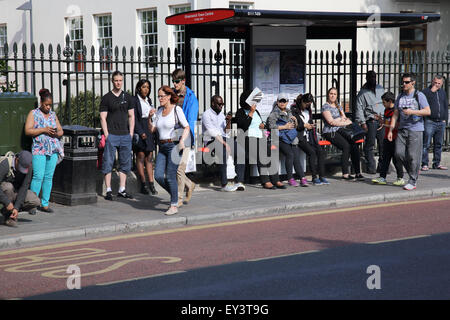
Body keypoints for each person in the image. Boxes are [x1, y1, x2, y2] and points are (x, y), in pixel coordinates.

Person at [149, 85, 190, 215]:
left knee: (171, 176)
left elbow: (187, 127)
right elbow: (152, 129)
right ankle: (175, 194)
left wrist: (182, 141)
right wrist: (150, 118)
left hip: (174, 145)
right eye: (158, 96)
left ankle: (173, 205)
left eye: (162, 96)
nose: (160, 98)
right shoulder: (159, 111)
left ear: (168, 96)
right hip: (162, 146)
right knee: (158, 176)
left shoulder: (176, 110)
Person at [235, 90, 286, 190]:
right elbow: (243, 126)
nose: (255, 103)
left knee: (270, 153)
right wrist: (251, 113)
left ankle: (275, 179)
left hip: (260, 137)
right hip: (247, 138)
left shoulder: (256, 111)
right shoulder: (240, 112)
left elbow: (261, 123)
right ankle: (265, 181)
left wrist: (263, 125)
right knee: (261, 155)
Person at [388, 73, 431, 191]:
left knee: (413, 155)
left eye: (407, 82)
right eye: (403, 82)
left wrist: (412, 112)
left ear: (413, 83)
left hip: (416, 129)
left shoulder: (419, 95)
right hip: (402, 129)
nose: (404, 84)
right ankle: (413, 170)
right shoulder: (400, 96)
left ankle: (412, 180)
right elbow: (395, 113)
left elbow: (427, 111)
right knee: (398, 153)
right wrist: (391, 130)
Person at [25, 88, 64, 213]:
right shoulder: (33, 113)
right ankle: (31, 204)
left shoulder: (53, 114)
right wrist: (43, 130)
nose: (48, 107)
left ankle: (45, 203)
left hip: (52, 149)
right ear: (41, 103)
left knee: (48, 177)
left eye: (50, 105)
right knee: (38, 176)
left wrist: (56, 133)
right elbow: (28, 131)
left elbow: (61, 130)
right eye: (46, 105)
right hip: (39, 149)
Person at [99, 71, 135, 201]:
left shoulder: (128, 97)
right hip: (112, 135)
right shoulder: (106, 98)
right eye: (116, 80)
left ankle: (122, 189)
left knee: (125, 163)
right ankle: (108, 190)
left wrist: (131, 132)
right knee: (108, 162)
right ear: (112, 81)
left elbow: (131, 116)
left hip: (125, 135)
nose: (118, 83)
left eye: (120, 80)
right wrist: (107, 134)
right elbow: (103, 118)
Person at [201, 95, 244, 192]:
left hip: (223, 138)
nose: (221, 106)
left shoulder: (221, 115)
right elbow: (212, 132)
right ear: (213, 103)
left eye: (222, 104)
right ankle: (224, 184)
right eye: (219, 104)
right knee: (223, 154)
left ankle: (239, 181)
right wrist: (225, 144)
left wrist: (228, 122)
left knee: (240, 152)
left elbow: (226, 132)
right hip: (211, 140)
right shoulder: (206, 114)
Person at [321, 87, 364, 181]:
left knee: (354, 145)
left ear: (337, 96)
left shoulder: (338, 106)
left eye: (334, 94)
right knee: (346, 146)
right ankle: (345, 174)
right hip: (330, 132)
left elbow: (344, 118)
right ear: (328, 95)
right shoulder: (325, 107)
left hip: (341, 130)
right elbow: (331, 122)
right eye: (331, 93)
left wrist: (341, 120)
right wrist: (341, 121)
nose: (332, 96)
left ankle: (357, 172)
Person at [267, 93, 308, 187]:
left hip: (290, 137)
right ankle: (290, 178)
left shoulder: (289, 111)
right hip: (280, 138)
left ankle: (302, 177)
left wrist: (296, 122)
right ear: (277, 102)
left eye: (284, 101)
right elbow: (270, 126)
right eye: (280, 101)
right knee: (290, 154)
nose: (282, 103)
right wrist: (284, 126)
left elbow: (294, 126)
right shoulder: (274, 113)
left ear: (287, 102)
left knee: (295, 155)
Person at [172, 69, 199, 206]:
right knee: (174, 168)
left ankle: (179, 199)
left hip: (185, 135)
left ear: (183, 81)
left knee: (180, 169)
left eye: (177, 82)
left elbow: (191, 119)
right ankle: (190, 184)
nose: (174, 84)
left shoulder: (191, 98)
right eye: (173, 81)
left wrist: (186, 137)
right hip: (172, 135)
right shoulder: (171, 94)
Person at [291, 93, 329, 185]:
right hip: (300, 136)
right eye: (307, 104)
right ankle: (314, 177)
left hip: (310, 136)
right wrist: (304, 125)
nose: (308, 105)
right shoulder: (294, 110)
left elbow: (310, 121)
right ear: (302, 102)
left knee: (320, 151)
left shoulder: (308, 111)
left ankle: (322, 176)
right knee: (311, 153)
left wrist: (311, 125)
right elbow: (294, 126)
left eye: (309, 104)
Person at [355, 70, 385, 174]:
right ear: (366, 78)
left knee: (383, 144)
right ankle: (371, 167)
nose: (373, 79)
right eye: (370, 77)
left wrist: (385, 118)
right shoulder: (363, 93)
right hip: (371, 120)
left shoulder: (380, 88)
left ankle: (382, 166)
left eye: (374, 77)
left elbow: (385, 102)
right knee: (370, 144)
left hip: (381, 119)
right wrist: (362, 123)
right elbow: (359, 108)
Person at [371, 92, 405, 186]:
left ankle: (400, 177)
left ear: (390, 101)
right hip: (387, 137)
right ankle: (382, 177)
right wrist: (380, 120)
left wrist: (384, 124)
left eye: (384, 102)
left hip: (395, 138)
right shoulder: (386, 110)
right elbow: (386, 122)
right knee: (385, 158)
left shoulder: (396, 111)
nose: (383, 104)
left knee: (396, 159)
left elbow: (396, 125)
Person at [0, 151, 40, 227]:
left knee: (35, 201)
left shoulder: (29, 167)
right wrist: (7, 202)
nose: (23, 170)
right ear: (17, 159)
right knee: (8, 187)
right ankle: (8, 216)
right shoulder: (5, 164)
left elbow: (24, 187)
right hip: (4, 192)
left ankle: (8, 212)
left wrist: (16, 207)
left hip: (16, 191)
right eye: (21, 167)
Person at [134, 79, 157, 195]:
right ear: (139, 88)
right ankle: (143, 184)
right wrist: (140, 131)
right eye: (143, 87)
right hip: (140, 128)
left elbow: (151, 117)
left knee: (149, 157)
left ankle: (151, 184)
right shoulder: (135, 100)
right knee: (141, 156)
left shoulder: (149, 100)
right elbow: (134, 118)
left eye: (148, 87)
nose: (146, 89)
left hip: (149, 128)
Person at [421, 74, 448, 171]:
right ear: (432, 81)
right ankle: (424, 163)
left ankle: (437, 163)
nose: (437, 85)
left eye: (439, 83)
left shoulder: (443, 93)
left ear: (442, 84)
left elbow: (445, 105)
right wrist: (432, 92)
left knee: (439, 144)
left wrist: (445, 119)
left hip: (441, 121)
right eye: (435, 82)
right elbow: (423, 104)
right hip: (430, 121)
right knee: (426, 143)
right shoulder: (426, 92)